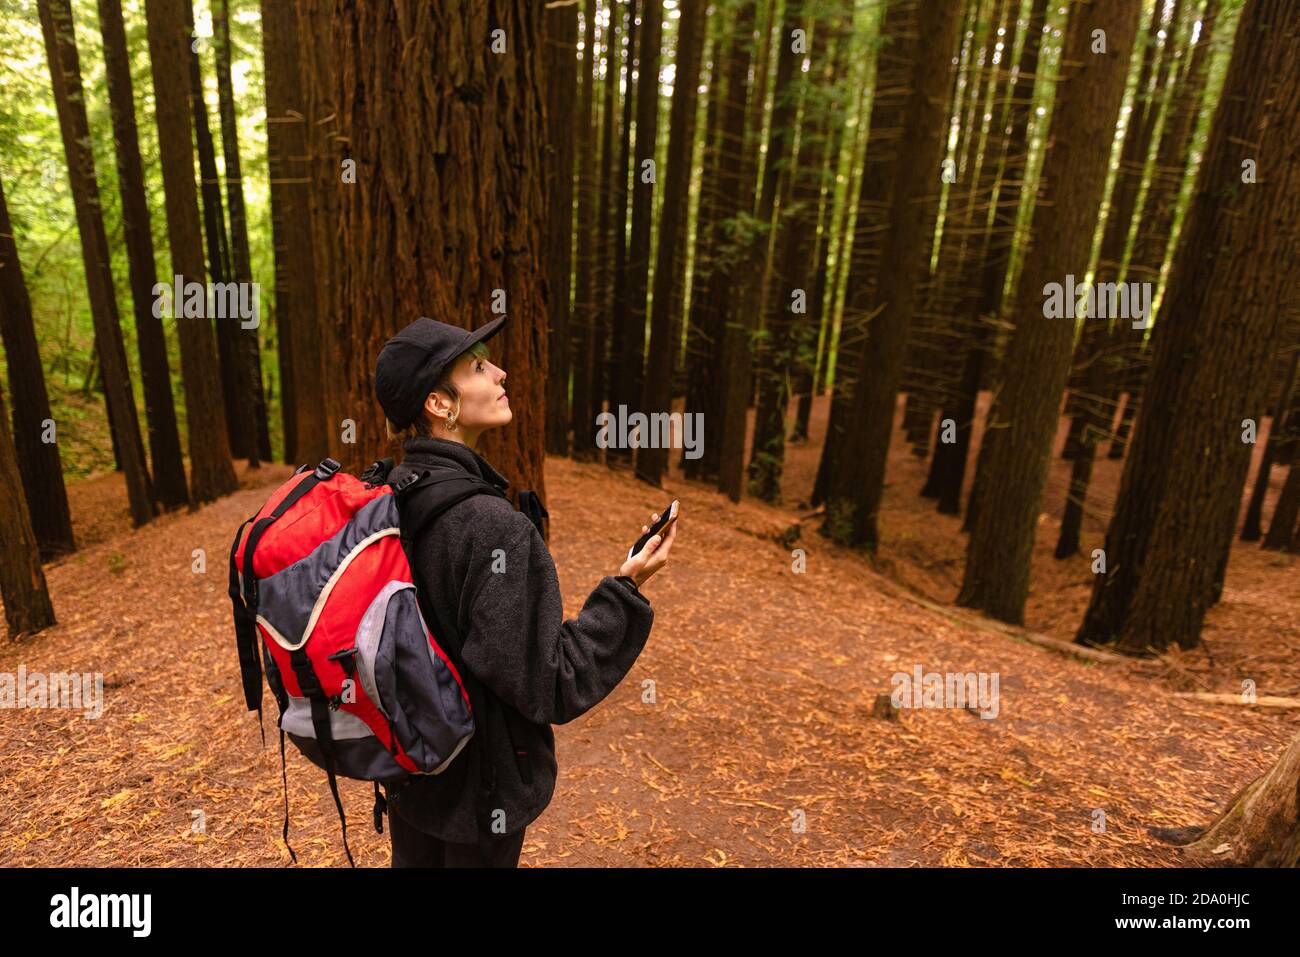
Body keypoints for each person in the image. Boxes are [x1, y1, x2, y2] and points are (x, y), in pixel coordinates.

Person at [372, 315, 678, 867]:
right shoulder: (493, 527)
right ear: (440, 405)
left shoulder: (385, 499)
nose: (502, 372)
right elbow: (547, 684)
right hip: (480, 789)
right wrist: (626, 590)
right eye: (479, 367)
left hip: (409, 772)